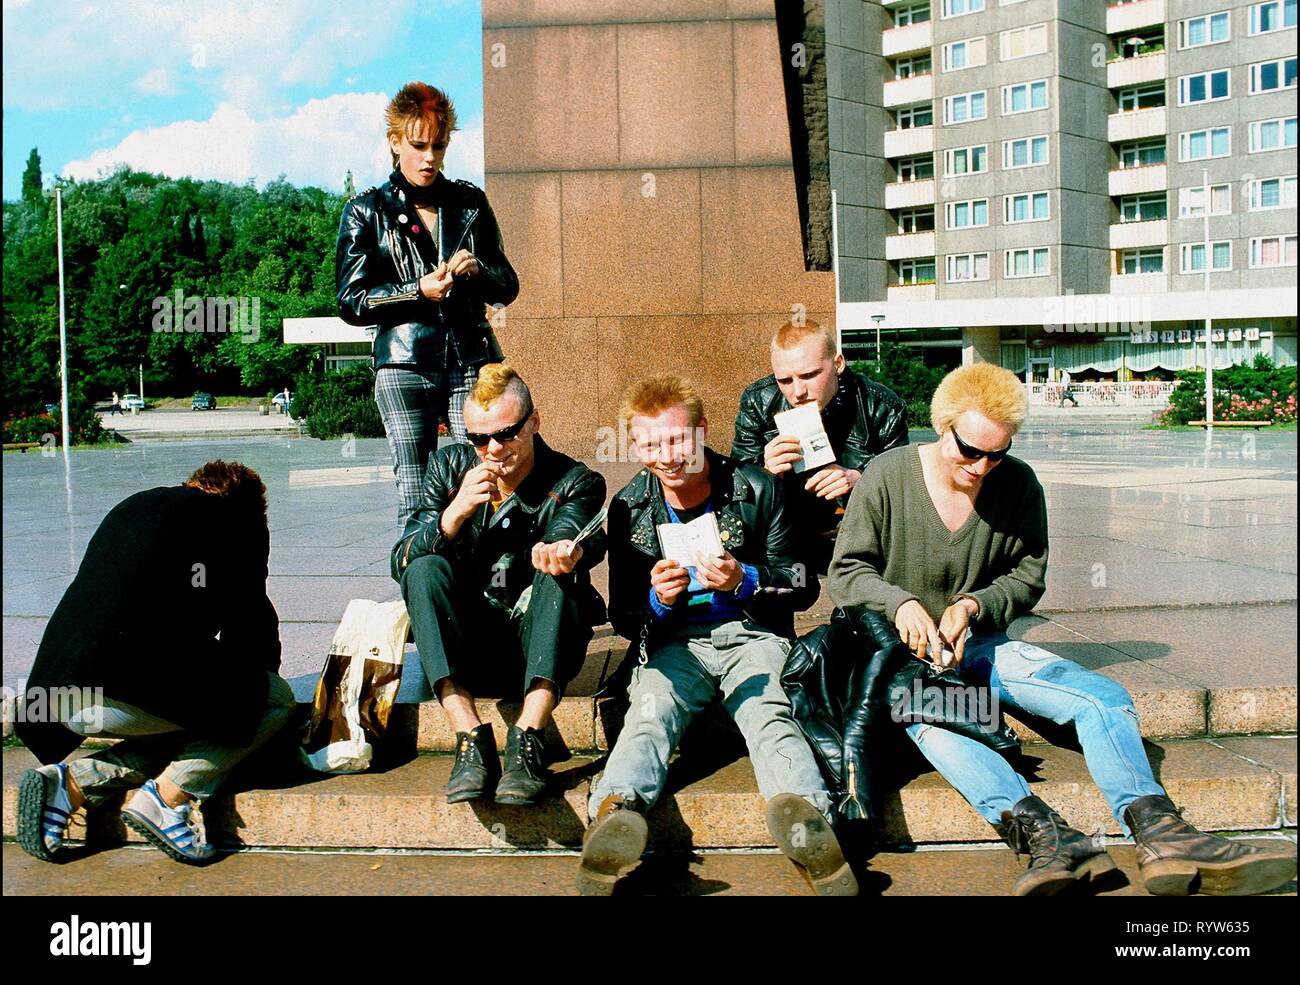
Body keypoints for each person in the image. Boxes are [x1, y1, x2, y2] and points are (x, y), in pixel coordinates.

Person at [828, 363, 1297, 896]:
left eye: (996, 454)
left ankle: (1163, 833)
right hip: (904, 661)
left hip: (979, 644)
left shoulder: (1020, 484)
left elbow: (1029, 575)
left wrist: (973, 607)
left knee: (1101, 698)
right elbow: (847, 570)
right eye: (969, 450)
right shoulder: (888, 476)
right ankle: (1050, 839)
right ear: (942, 425)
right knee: (934, 724)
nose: (982, 467)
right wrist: (901, 603)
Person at [580, 375, 855, 897]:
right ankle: (614, 815)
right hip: (675, 643)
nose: (667, 456)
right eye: (651, 443)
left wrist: (746, 579)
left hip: (753, 635)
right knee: (650, 710)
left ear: (703, 431)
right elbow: (623, 617)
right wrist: (658, 602)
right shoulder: (629, 506)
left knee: (770, 712)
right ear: (635, 444)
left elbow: (803, 584)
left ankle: (811, 827)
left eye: (678, 439)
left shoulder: (756, 486)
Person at [16, 461, 293, 866]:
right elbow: (251, 630)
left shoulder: (134, 505)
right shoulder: (237, 523)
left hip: (54, 697)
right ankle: (168, 797)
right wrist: (258, 700)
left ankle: (72, 784)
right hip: (125, 691)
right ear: (249, 507)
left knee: (197, 714)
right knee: (271, 701)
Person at [393, 364, 607, 806]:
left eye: (507, 433)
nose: (493, 449)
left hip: (537, 645)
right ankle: (469, 736)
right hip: (466, 646)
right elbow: (401, 559)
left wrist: (562, 550)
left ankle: (527, 736)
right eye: (478, 438)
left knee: (559, 574)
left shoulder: (574, 481)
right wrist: (453, 517)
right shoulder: (448, 468)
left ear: (533, 422)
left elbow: (569, 534)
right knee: (423, 568)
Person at [337, 81, 519, 523]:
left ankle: (480, 589)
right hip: (404, 362)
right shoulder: (366, 210)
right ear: (395, 142)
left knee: (482, 482)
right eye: (418, 145)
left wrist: (479, 269)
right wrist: (416, 290)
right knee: (417, 492)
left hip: (472, 359)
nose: (430, 157)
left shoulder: (470, 202)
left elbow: (508, 285)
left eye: (439, 145)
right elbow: (350, 300)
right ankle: (421, 588)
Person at [732, 320, 907, 575]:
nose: (798, 391)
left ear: (837, 364)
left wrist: (860, 479)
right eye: (785, 380)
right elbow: (736, 491)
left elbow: (902, 485)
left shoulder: (881, 405)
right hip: (785, 535)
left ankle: (859, 607)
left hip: (857, 534)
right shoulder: (759, 400)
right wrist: (761, 469)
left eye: (809, 375)